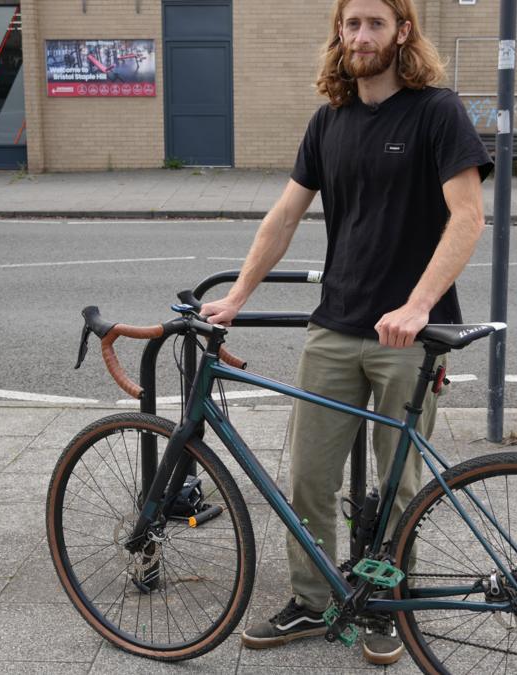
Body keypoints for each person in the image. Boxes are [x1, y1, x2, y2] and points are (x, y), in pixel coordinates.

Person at [200, 0, 491, 665]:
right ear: (340, 32)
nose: (361, 35)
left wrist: (419, 305)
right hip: (334, 327)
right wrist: (239, 294)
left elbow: (467, 216)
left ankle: (388, 605)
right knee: (307, 478)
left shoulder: (437, 112)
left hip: (407, 337)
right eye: (352, 23)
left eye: (376, 24)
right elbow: (284, 214)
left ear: (403, 32)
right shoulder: (328, 121)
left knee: (397, 486)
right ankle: (311, 598)